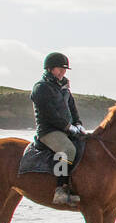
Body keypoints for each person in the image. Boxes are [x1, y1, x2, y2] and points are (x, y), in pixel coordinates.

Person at [31, 51, 86, 207]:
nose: (62, 72)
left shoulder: (63, 87)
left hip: (66, 129)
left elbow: (72, 108)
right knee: (68, 149)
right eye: (59, 69)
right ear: (49, 69)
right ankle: (60, 190)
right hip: (49, 131)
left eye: (64, 69)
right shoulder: (41, 87)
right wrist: (68, 127)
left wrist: (78, 123)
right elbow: (50, 114)